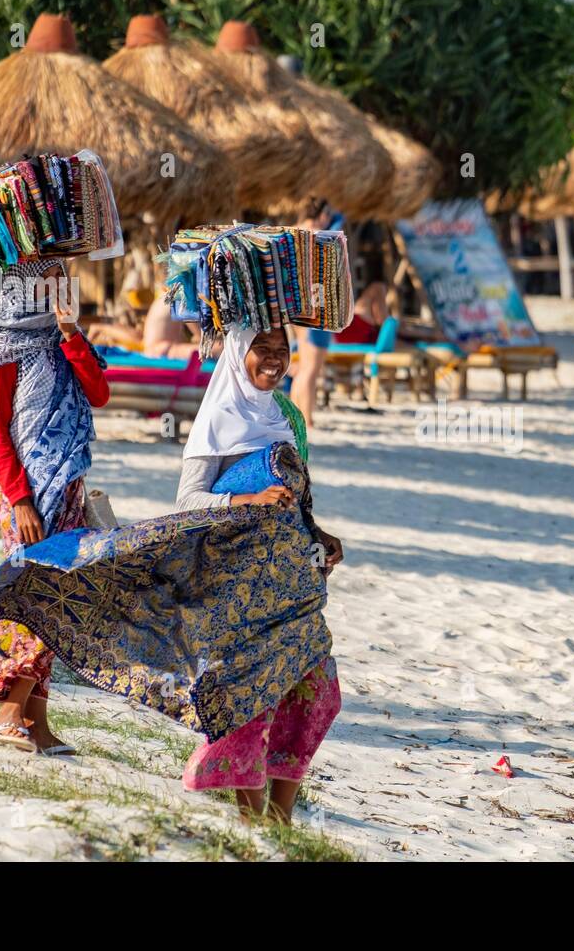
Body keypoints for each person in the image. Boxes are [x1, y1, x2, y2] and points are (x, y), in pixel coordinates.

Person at [174, 325, 343, 823]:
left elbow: (295, 502)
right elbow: (187, 502)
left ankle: (281, 816)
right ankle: (253, 817)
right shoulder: (217, 418)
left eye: (281, 350)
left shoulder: (284, 418)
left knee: (317, 693)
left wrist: (320, 537)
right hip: (239, 591)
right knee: (254, 698)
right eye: (260, 350)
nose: (273, 360)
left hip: (292, 584)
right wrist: (243, 501)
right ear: (235, 354)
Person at [0, 258, 110, 755]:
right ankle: (7, 711)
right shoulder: (4, 342)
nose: (60, 284)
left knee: (58, 592)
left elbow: (99, 393)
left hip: (64, 489)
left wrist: (70, 334)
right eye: (50, 276)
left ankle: (34, 720)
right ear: (22, 282)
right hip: (22, 493)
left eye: (64, 275)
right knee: (39, 594)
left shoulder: (66, 339)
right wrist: (20, 498)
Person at [290, 199, 337, 428]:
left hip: (297, 305)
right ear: (322, 213)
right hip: (316, 304)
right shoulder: (318, 234)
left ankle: (296, 414)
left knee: (303, 365)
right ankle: (307, 418)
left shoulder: (294, 232)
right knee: (312, 367)